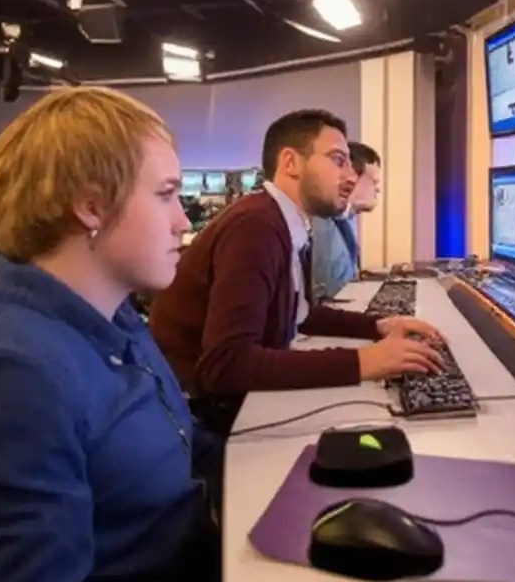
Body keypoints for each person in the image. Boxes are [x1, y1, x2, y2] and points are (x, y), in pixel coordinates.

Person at [0, 87, 217, 582]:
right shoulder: (6, 373)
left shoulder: (115, 320)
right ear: (91, 207)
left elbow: (187, 442)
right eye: (166, 195)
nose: (182, 222)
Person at [149, 109, 444, 432]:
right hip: (201, 421)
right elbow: (225, 365)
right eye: (338, 160)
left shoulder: (282, 221)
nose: (350, 176)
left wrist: (380, 327)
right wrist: (365, 362)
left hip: (224, 405)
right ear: (290, 163)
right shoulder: (256, 226)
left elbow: (300, 314)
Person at [311, 141, 380, 300]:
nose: (378, 189)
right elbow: (335, 295)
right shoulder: (323, 226)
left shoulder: (343, 221)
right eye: (374, 182)